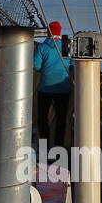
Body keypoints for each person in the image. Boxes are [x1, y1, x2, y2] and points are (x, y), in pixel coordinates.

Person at [33, 21, 73, 150]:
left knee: (43, 118)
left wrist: (44, 71)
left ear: (49, 32)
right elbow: (72, 67)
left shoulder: (42, 47)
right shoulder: (67, 47)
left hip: (46, 87)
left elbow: (36, 65)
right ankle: (58, 147)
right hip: (63, 88)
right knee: (61, 118)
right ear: (59, 32)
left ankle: (44, 147)